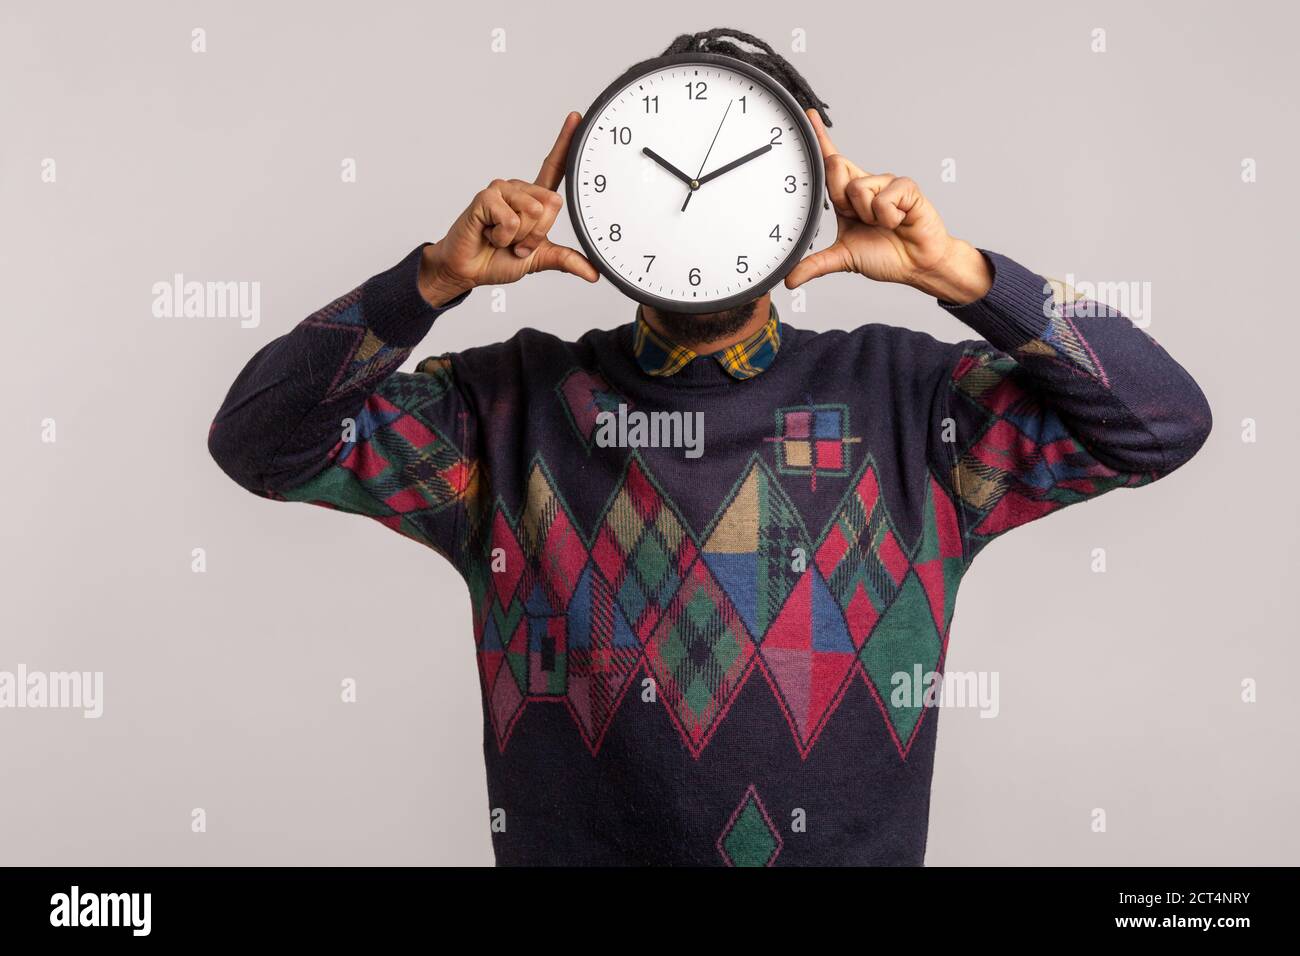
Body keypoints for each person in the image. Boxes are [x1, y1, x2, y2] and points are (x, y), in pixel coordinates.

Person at [208, 30, 1212, 865]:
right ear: (603, 203)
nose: (695, 204)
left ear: (802, 198)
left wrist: (962, 274)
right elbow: (260, 438)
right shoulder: (500, 412)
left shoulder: (913, 405)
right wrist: (427, 280)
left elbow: (1161, 419)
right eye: (658, 176)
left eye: (739, 177)